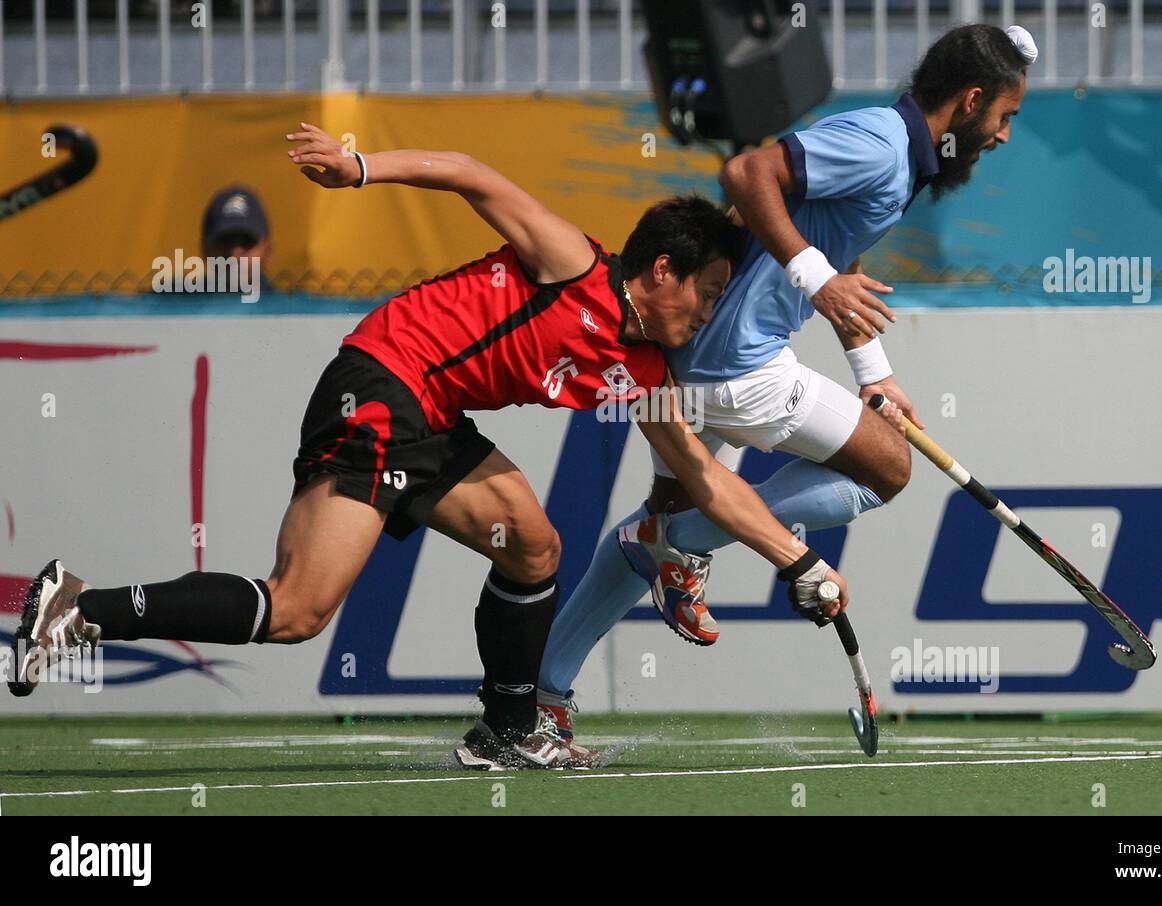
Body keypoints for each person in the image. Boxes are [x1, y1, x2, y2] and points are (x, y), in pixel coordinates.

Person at [7, 124, 852, 771]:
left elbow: (705, 478)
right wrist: (359, 168)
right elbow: (468, 173)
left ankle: (507, 733)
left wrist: (794, 561)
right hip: (381, 384)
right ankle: (79, 607)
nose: (707, 316)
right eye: (705, 295)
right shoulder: (574, 265)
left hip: (432, 416)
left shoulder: (641, 363)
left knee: (532, 544)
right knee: (300, 609)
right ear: (660, 270)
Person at [537, 23, 1035, 741]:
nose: (1005, 136)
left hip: (683, 360)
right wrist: (815, 276)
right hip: (733, 365)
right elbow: (746, 175)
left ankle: (541, 697)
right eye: (1004, 118)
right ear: (971, 100)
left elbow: (841, 265)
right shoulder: (882, 145)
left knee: (649, 530)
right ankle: (679, 536)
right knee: (885, 469)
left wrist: (875, 375)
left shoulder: (898, 158)